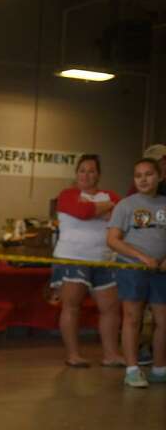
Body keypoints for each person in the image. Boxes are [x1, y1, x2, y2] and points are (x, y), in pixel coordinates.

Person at [51, 155, 122, 367]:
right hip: (72, 257)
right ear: (76, 173)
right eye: (82, 170)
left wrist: (105, 207)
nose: (86, 174)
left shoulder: (110, 195)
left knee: (111, 308)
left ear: (98, 174)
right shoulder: (67, 194)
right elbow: (83, 212)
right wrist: (105, 207)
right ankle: (73, 354)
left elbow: (120, 214)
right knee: (72, 306)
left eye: (91, 171)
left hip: (103, 259)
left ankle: (111, 354)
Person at [107, 158, 166, 388]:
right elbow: (112, 240)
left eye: (149, 174)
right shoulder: (126, 205)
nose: (143, 179)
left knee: (163, 320)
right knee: (133, 318)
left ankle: (159, 368)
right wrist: (143, 258)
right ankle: (132, 370)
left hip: (161, 272)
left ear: (160, 177)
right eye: (138, 175)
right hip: (132, 269)